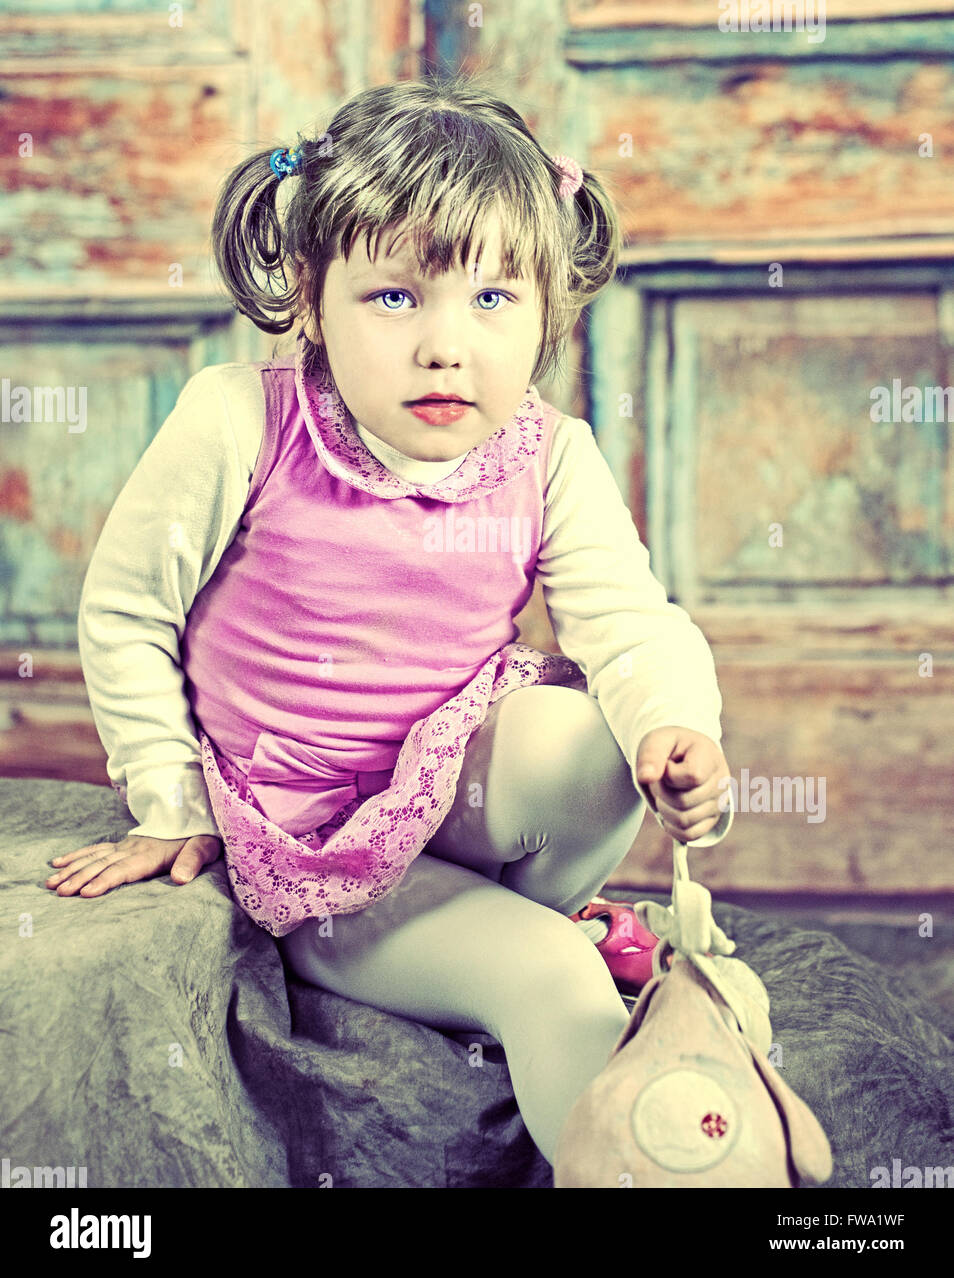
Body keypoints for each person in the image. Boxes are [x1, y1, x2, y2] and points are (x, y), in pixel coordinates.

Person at [49, 75, 736, 1167]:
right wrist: (169, 798)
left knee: (598, 739)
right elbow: (128, 608)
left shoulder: (550, 455)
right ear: (313, 294)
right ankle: (527, 972)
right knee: (550, 980)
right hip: (316, 839)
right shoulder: (242, 422)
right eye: (397, 297)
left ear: (550, 307)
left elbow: (632, 625)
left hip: (446, 791)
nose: (445, 346)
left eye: (492, 300)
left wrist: (676, 729)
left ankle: (535, 910)